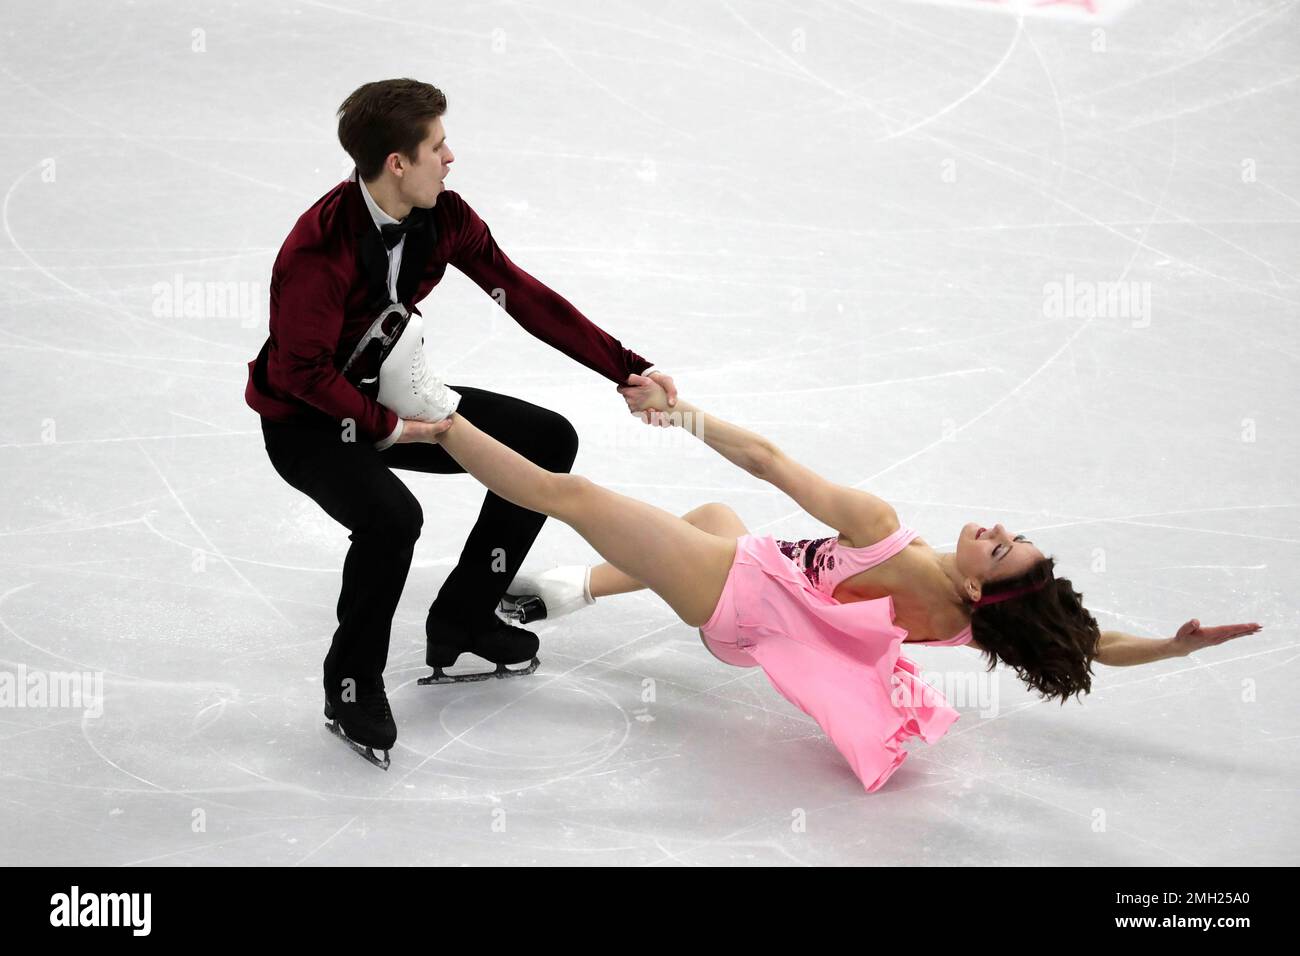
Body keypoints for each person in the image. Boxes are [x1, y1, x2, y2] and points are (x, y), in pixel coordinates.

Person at [407, 377, 1263, 791]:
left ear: (978, 590)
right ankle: (566, 592)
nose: (998, 530)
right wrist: (1175, 649)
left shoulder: (881, 528)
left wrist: (681, 414)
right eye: (1014, 534)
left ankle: (431, 422)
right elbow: (1091, 646)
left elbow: (770, 460)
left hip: (738, 596)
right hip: (752, 630)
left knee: (574, 493)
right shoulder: (972, 625)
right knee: (710, 514)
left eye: (1001, 549)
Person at [243, 79, 676, 768]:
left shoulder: (443, 216)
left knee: (544, 439)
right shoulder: (318, 252)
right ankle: (349, 685)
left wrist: (624, 369)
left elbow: (520, 292)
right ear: (397, 164)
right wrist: (384, 425)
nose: (452, 158)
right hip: (309, 424)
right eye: (438, 147)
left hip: (389, 395)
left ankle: (466, 616)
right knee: (390, 519)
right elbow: (301, 373)